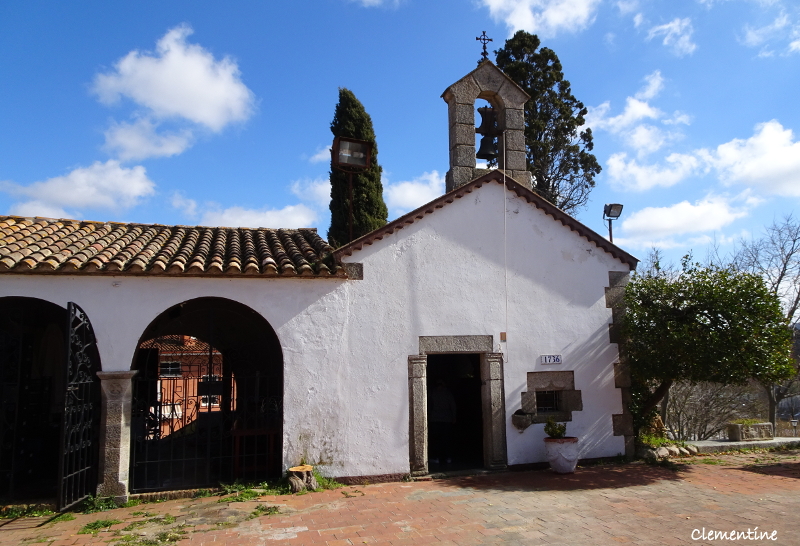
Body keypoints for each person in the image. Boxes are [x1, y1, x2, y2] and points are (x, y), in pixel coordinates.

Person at [428, 379, 457, 465]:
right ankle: (448, 458)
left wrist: (429, 416)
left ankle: (436, 458)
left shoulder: (432, 393)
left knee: (437, 439)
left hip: (435, 419)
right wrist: (454, 417)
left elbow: (429, 404)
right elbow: (453, 406)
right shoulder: (448, 393)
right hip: (446, 419)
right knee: (446, 439)